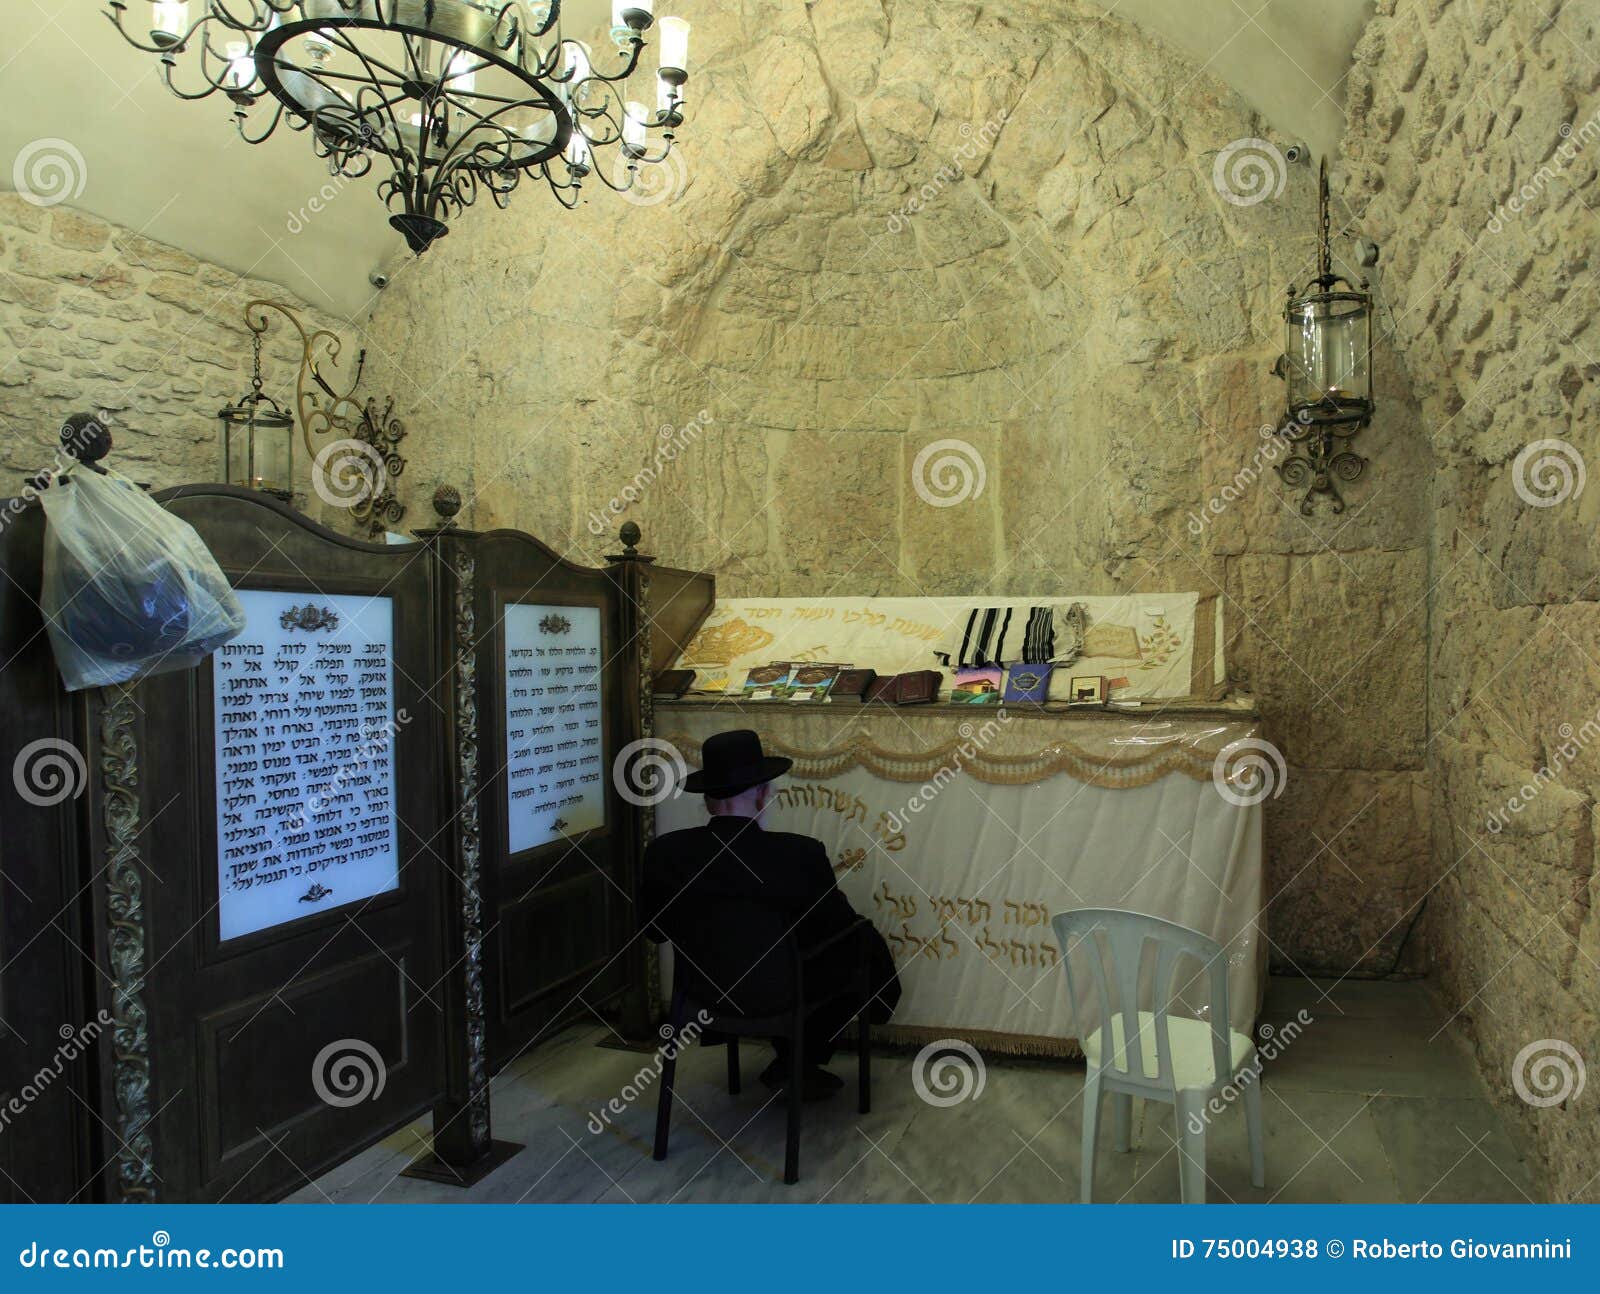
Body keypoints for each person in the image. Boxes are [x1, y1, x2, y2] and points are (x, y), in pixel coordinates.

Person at [642, 729, 900, 1100]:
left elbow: (654, 931)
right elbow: (836, 927)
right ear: (763, 795)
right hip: (780, 994)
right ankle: (800, 1058)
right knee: (861, 942)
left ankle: (794, 1059)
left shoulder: (665, 854)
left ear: (709, 799)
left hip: (702, 993)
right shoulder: (799, 854)